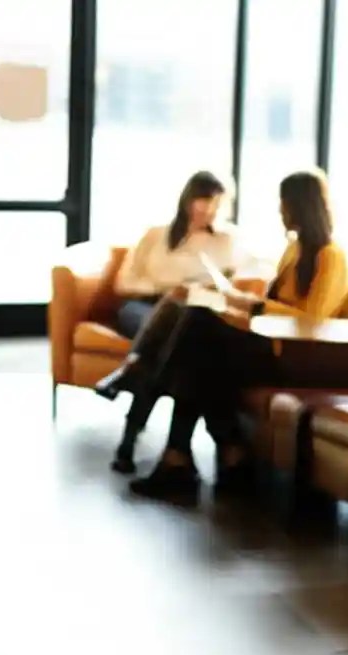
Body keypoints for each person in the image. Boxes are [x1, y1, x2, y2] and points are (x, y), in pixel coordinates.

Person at [127, 169, 348, 501]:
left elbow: (312, 322)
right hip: (273, 344)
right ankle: (210, 453)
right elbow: (279, 306)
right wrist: (250, 304)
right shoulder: (295, 250)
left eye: (284, 205)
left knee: (199, 337)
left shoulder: (330, 257)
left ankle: (187, 449)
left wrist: (258, 307)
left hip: (298, 357)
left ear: (301, 207)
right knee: (199, 330)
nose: (280, 212)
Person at [95, 170, 246, 474]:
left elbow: (236, 286)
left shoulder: (227, 240)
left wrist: (201, 292)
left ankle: (130, 382)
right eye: (203, 201)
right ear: (188, 199)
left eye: (217, 204)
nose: (209, 210)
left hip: (190, 315)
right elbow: (124, 283)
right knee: (172, 330)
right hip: (143, 307)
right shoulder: (156, 235)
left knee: (170, 346)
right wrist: (165, 291)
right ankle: (178, 447)